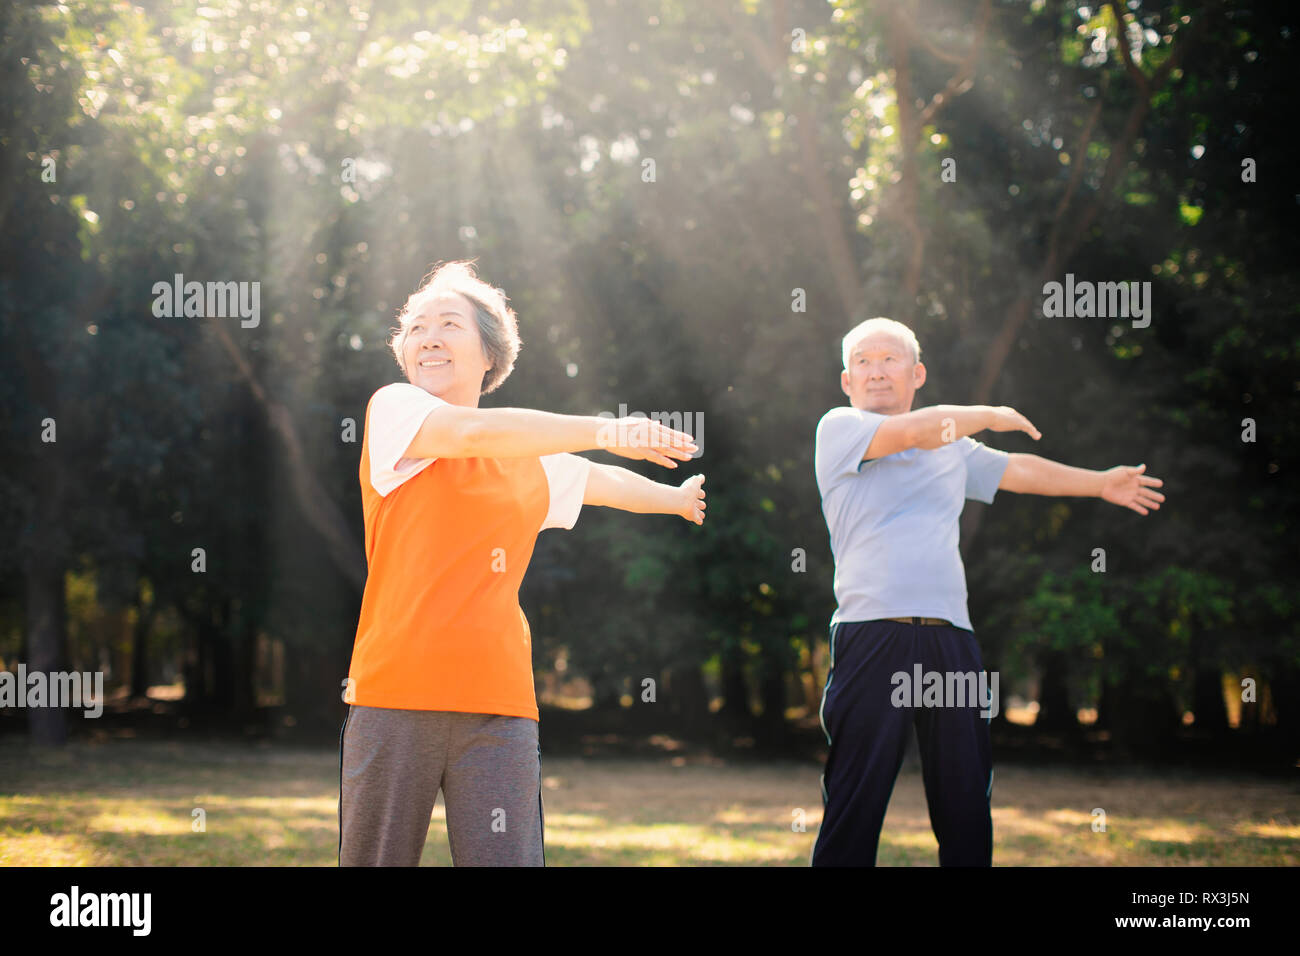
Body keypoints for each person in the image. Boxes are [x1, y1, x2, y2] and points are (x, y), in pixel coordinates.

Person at [339, 260, 706, 866]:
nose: (428, 335)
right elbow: (470, 437)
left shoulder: (529, 456)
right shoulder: (395, 411)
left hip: (500, 705)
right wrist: (605, 427)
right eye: (416, 327)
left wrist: (673, 498)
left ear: (490, 354)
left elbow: (598, 481)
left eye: (449, 323)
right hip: (394, 694)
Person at [810, 317, 1164, 866]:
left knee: (964, 801)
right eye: (862, 361)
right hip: (871, 635)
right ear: (846, 381)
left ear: (917, 372)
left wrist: (1099, 483)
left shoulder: (953, 448)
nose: (875, 371)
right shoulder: (840, 429)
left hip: (952, 640)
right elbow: (915, 431)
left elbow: (1017, 469)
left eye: (889, 359)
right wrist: (989, 415)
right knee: (856, 799)